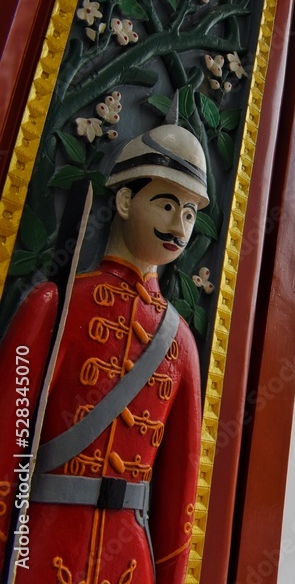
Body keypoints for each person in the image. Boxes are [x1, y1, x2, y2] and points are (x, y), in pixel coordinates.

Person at [0, 124, 209, 583]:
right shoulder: (53, 307)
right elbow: (9, 439)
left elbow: (179, 494)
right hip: (42, 548)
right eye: (167, 204)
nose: (179, 227)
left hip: (129, 563)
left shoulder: (181, 344)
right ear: (124, 200)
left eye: (191, 214)